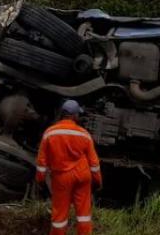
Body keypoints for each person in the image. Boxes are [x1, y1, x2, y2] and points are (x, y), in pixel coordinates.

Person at [35, 100, 101, 235]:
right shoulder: (84, 134)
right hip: (82, 176)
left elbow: (42, 161)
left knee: (60, 215)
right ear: (74, 116)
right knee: (84, 215)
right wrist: (97, 181)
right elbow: (94, 163)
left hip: (61, 177)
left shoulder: (50, 133)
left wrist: (40, 179)